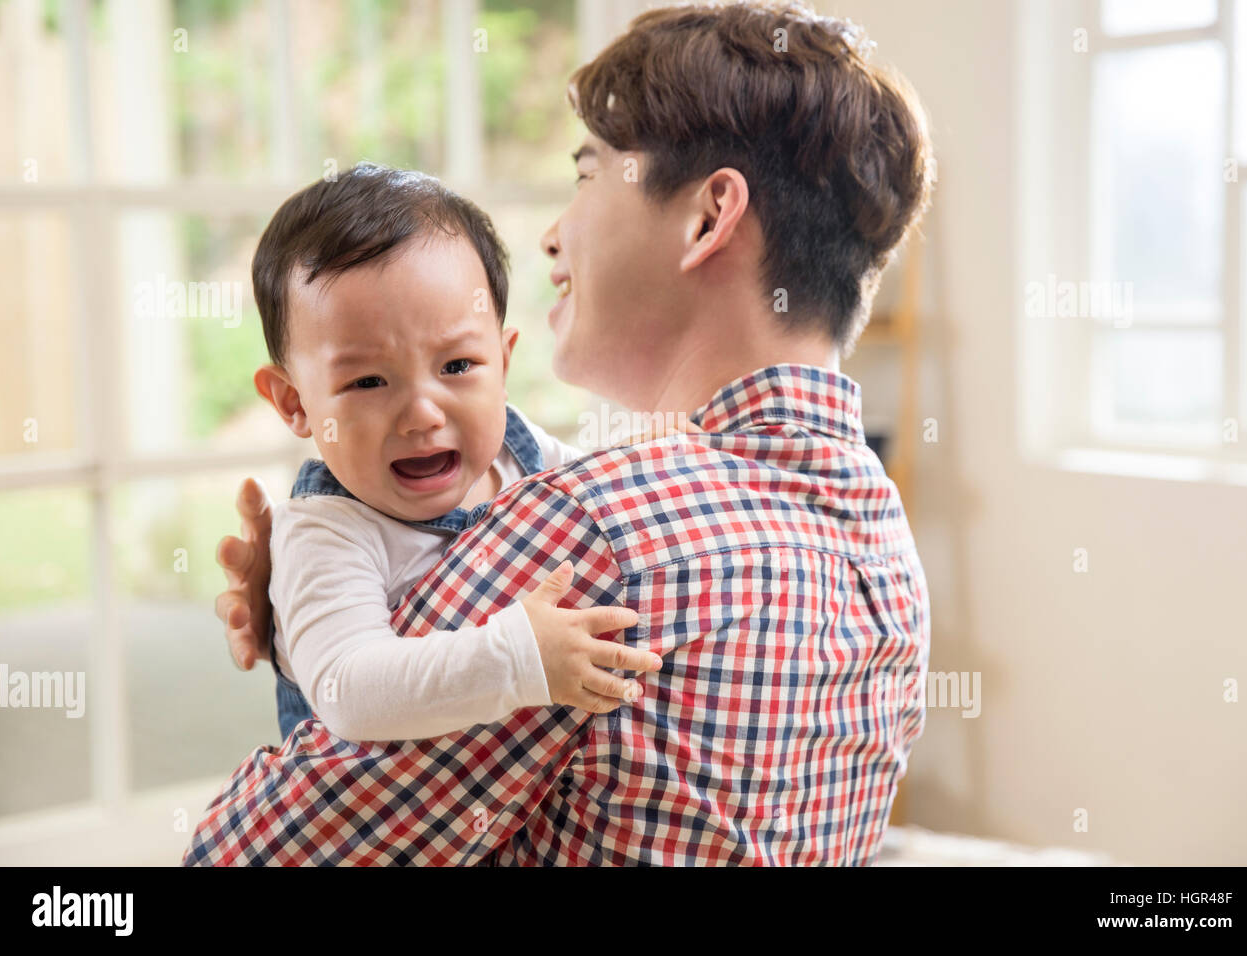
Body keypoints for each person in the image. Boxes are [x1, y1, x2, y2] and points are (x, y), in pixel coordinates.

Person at [188, 0, 934, 866]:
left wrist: (303, 654)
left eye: (587, 175)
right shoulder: (887, 547)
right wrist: (321, 606)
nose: (551, 234)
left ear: (706, 218)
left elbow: (243, 855)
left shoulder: (595, 532)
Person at [245, 163, 666, 744]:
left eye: (458, 367)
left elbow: (610, 500)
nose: (423, 414)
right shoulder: (327, 533)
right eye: (368, 382)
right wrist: (515, 657)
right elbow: (352, 694)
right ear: (294, 402)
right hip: (379, 822)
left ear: (504, 362)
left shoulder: (525, 453)